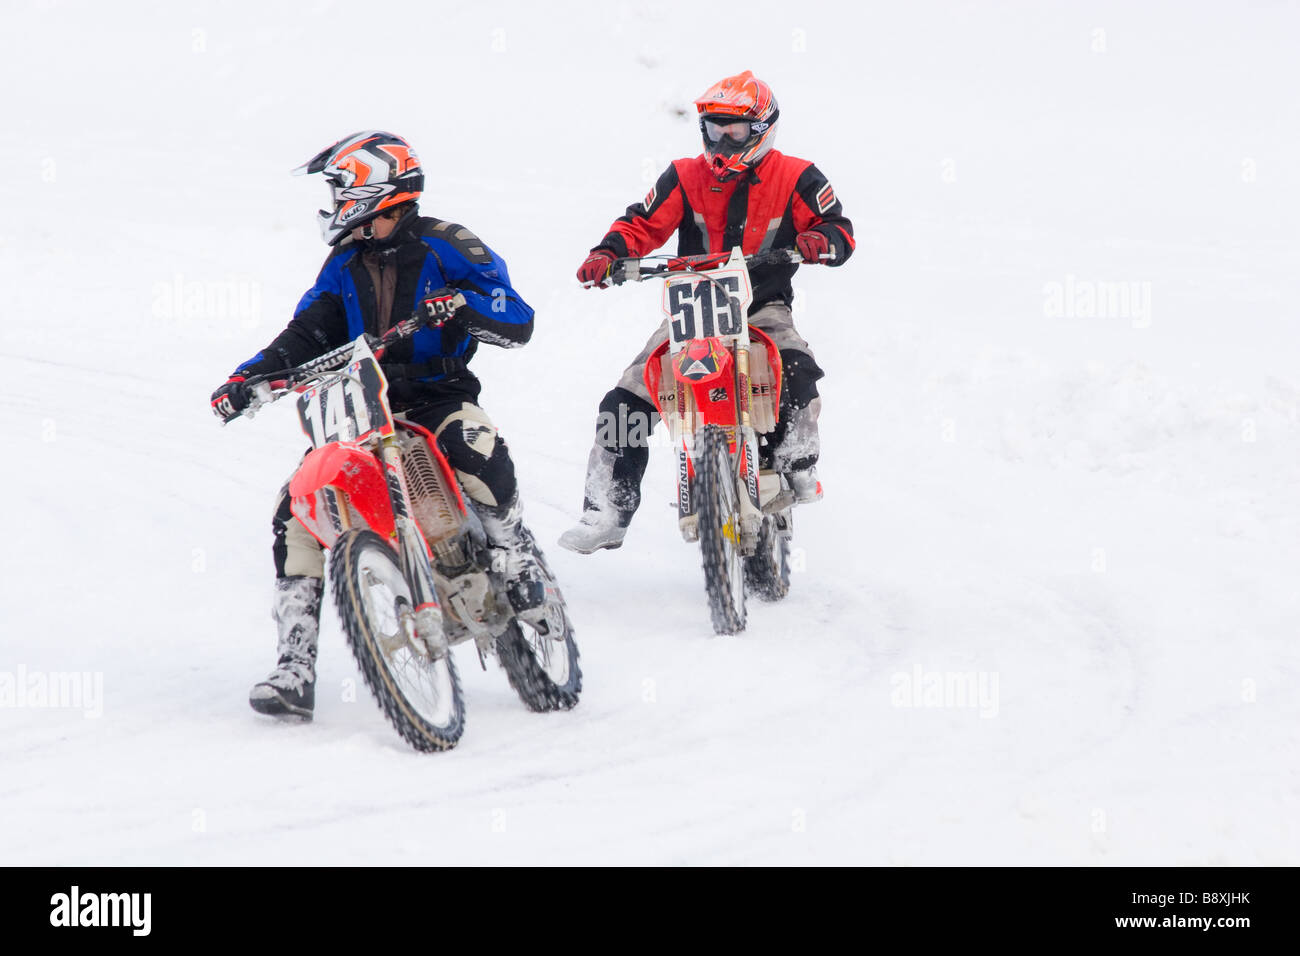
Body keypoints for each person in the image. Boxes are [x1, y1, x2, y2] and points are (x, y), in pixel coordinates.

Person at [211, 130, 542, 719]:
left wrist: (461, 306)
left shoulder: (446, 243)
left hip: (437, 395)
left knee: (473, 447)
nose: (334, 202)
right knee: (295, 509)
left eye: (340, 188)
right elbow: (307, 332)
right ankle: (295, 664)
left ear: (374, 186)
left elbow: (515, 316)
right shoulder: (343, 261)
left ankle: (514, 552)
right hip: (363, 408)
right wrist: (249, 378)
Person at [560, 71, 856, 554]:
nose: (722, 140)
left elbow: (838, 228)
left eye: (734, 130)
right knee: (625, 401)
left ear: (762, 129)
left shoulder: (797, 175)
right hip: (693, 310)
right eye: (714, 128)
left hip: (762, 309)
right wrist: (608, 253)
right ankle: (606, 511)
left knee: (797, 367)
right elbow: (641, 222)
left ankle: (797, 461)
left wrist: (821, 240)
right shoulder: (684, 175)